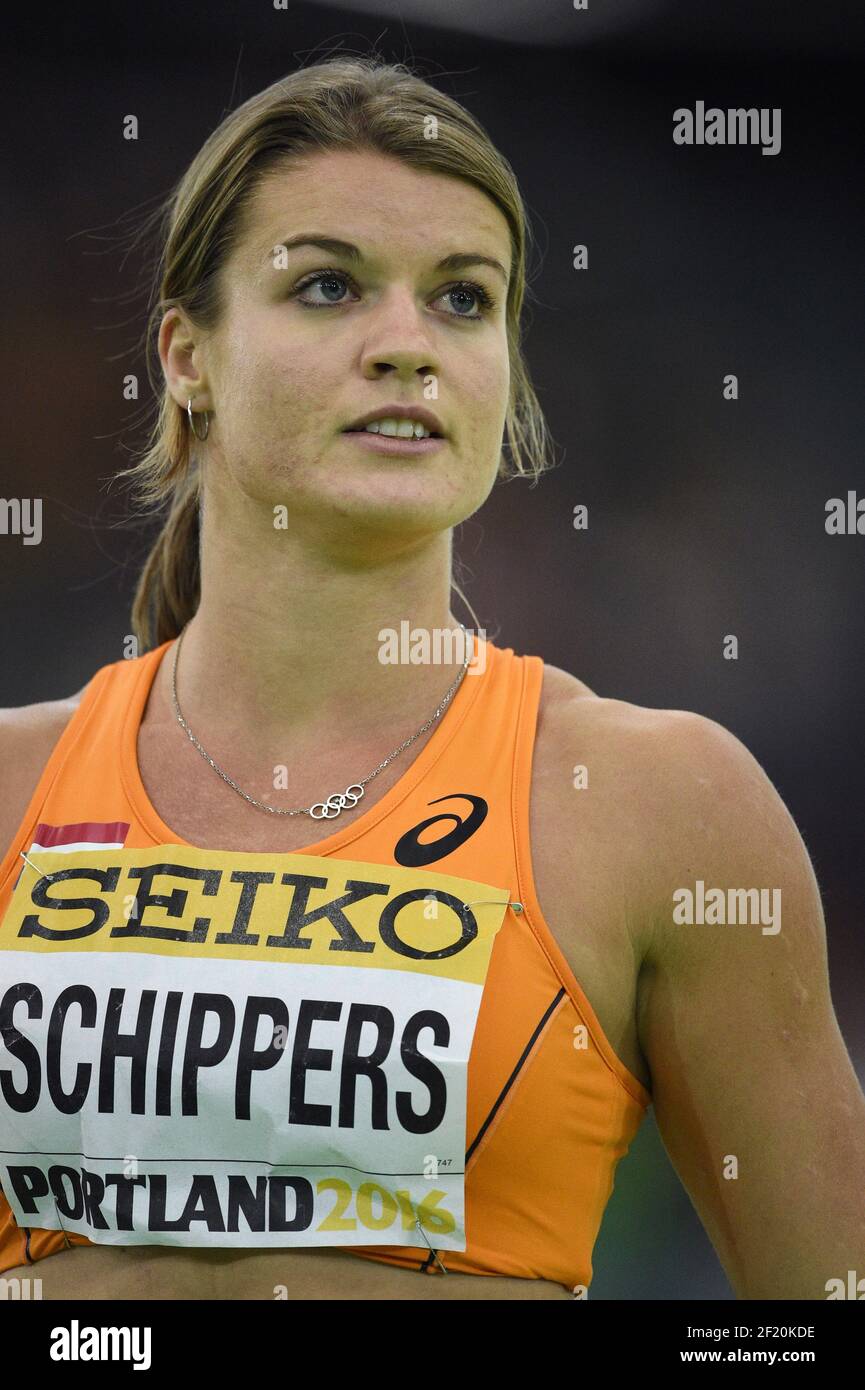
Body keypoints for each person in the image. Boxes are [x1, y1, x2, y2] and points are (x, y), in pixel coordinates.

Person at [1, 56, 863, 1303]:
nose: (405, 344)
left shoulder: (659, 806)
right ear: (185, 353)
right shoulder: (16, 787)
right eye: (328, 285)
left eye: (463, 299)